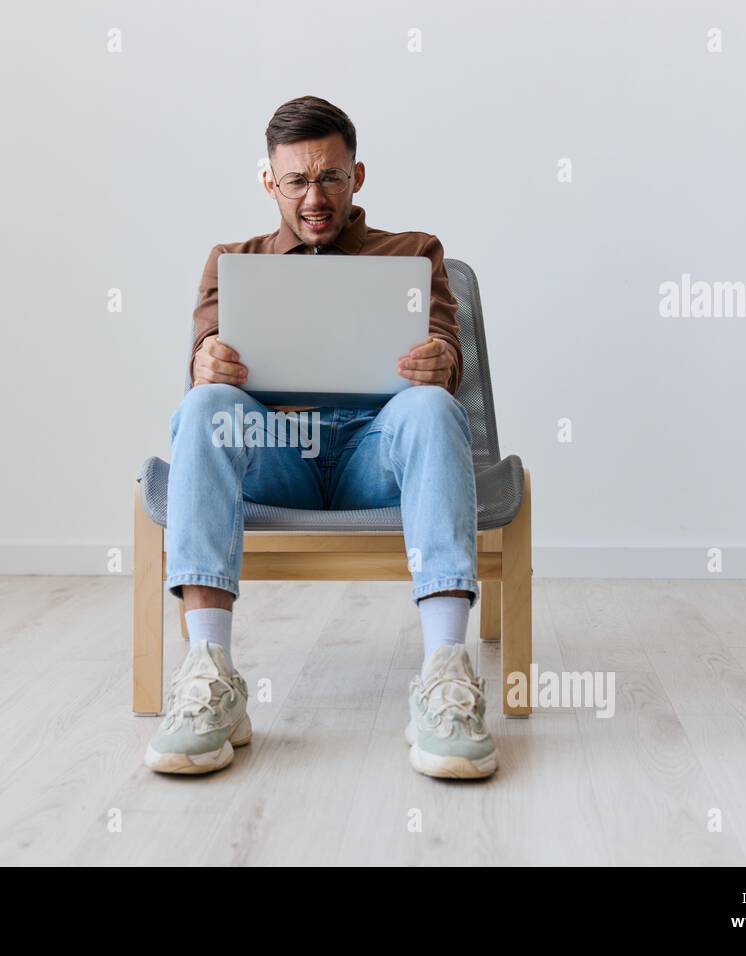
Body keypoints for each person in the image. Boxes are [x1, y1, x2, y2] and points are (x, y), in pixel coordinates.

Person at [144, 95, 497, 780]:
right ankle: (208, 674)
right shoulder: (232, 262)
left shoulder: (415, 254)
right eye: (297, 180)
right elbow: (204, 359)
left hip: (376, 452)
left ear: (357, 176)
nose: (315, 197)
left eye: (330, 177)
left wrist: (440, 363)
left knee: (431, 409)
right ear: (269, 182)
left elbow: (447, 352)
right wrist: (206, 362)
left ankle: (448, 676)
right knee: (207, 405)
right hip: (282, 452)